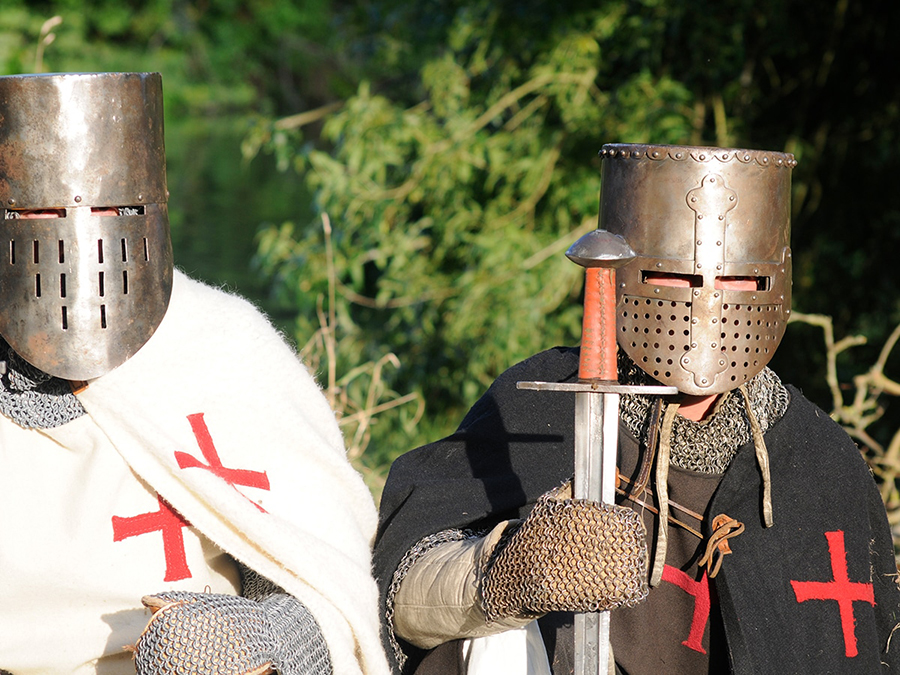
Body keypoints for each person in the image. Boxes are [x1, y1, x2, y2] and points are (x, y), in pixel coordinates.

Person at [373, 143, 900, 674]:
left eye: (740, 282)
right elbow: (399, 599)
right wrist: (506, 574)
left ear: (776, 282)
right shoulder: (537, 410)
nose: (708, 304)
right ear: (624, 273)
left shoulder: (820, 462)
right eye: (675, 278)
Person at [0, 71, 389, 675]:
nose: (74, 232)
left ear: (148, 205)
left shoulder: (221, 344)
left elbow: (325, 576)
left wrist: (264, 637)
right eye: (36, 211)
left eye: (108, 207)